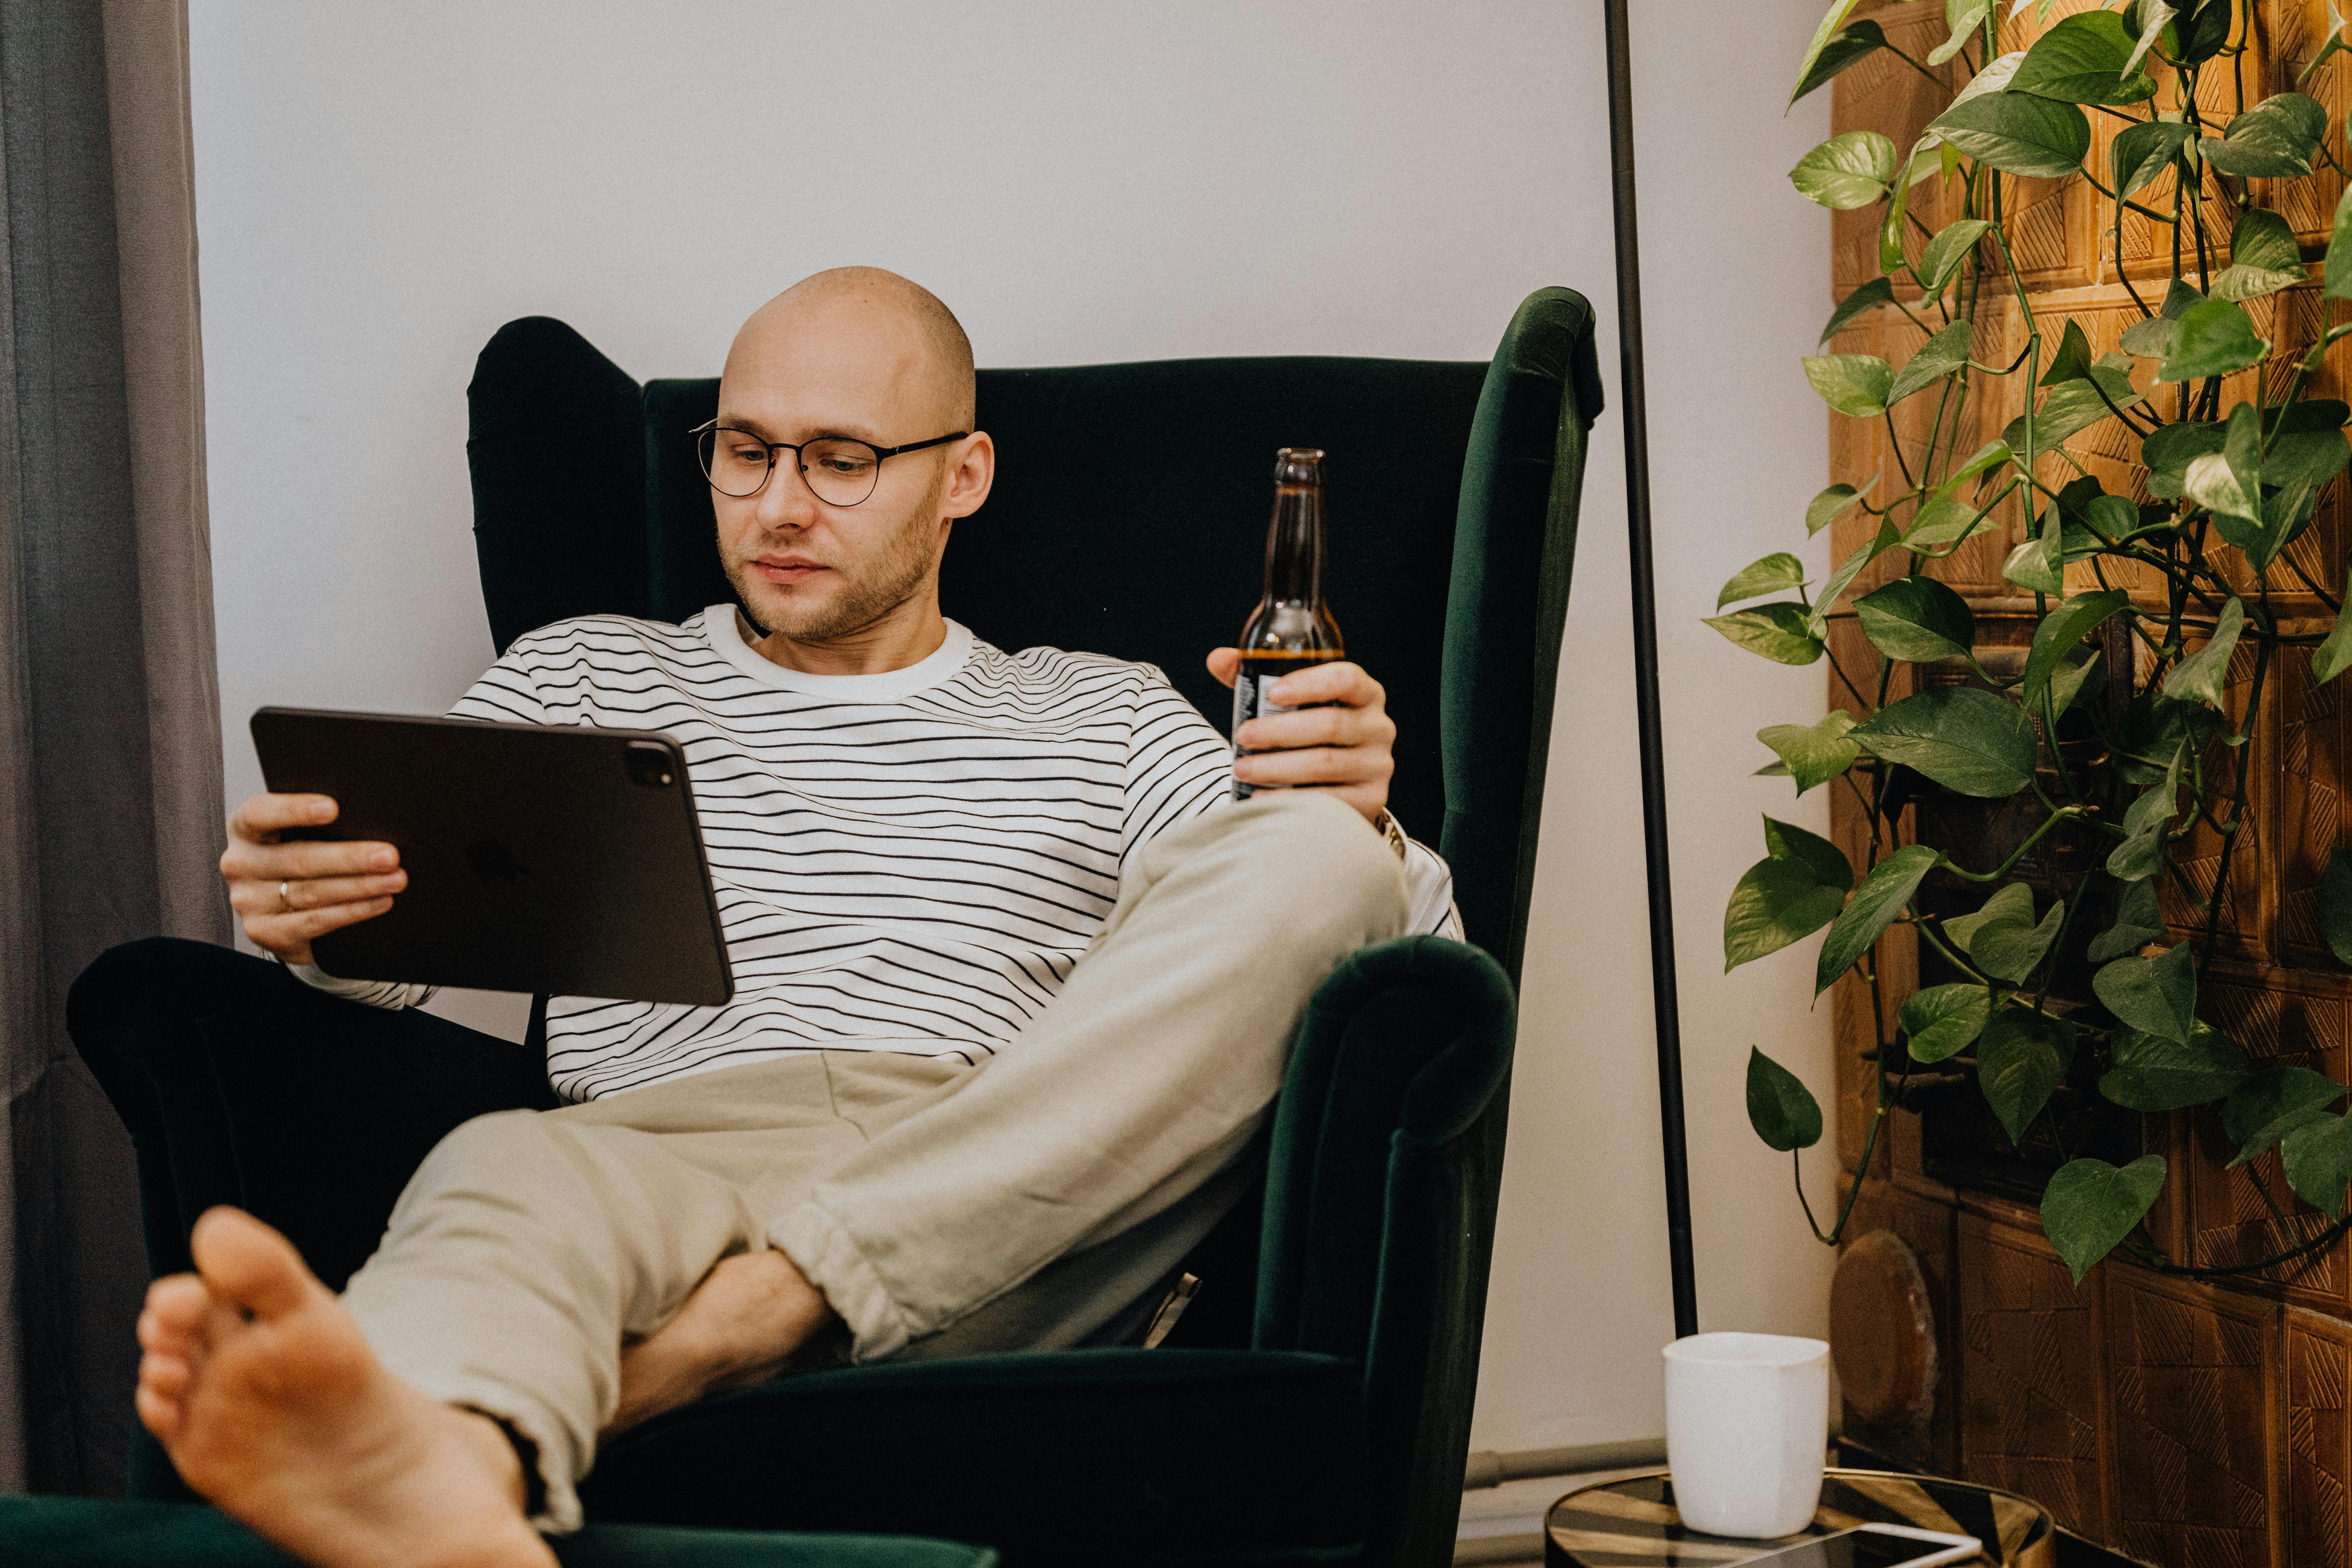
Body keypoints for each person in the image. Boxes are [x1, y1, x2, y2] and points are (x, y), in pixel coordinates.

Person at [94, 267, 1459, 1568]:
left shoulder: (1098, 712)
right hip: (665, 1154)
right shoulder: (585, 669)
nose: (779, 506)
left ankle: (707, 1347)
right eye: (743, 451)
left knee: (1317, 862)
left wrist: (1357, 813)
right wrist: (317, 921)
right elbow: (402, 940)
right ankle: (448, 1477)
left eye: (841, 458)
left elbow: (1397, 954)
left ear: (961, 477)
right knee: (508, 1169)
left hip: (1002, 1173)